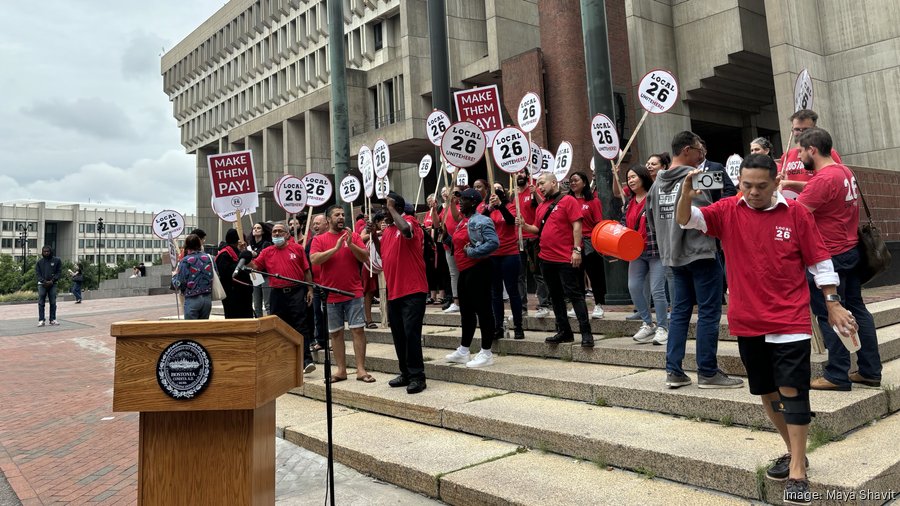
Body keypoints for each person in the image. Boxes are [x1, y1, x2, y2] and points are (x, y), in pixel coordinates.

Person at [676, 153, 856, 505]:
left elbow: (820, 260)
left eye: (761, 186)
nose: (754, 192)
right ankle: (795, 451)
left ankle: (798, 472)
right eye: (747, 185)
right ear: (739, 183)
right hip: (748, 320)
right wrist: (685, 194)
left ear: (776, 182)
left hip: (790, 318)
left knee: (792, 390)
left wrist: (832, 302)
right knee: (767, 391)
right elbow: (688, 220)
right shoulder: (727, 210)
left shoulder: (796, 213)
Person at [647, 131, 742, 389]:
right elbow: (705, 215)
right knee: (709, 312)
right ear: (687, 150)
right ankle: (708, 371)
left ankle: (674, 370)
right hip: (700, 252)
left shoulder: (656, 184)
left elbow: (651, 221)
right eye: (699, 149)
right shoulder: (694, 178)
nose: (703, 154)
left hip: (673, 255)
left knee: (679, 311)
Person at [796, 128, 882, 390]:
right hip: (851, 251)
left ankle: (836, 374)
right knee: (856, 309)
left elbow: (796, 214)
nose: (798, 156)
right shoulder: (844, 172)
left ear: (812, 150)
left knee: (828, 314)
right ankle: (869, 370)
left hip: (828, 257)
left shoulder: (823, 180)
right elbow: (823, 194)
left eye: (801, 151)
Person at [517, 172, 593, 348]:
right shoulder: (541, 206)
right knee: (556, 296)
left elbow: (577, 225)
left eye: (542, 183)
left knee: (574, 295)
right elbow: (537, 229)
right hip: (546, 259)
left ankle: (586, 333)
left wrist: (576, 250)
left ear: (553, 182)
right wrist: (524, 225)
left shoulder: (568, 200)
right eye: (538, 184)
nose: (540, 187)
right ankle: (564, 331)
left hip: (566, 257)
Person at [369, 192, 428, 393]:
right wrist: (373, 236)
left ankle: (418, 376)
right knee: (399, 335)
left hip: (413, 290)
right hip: (394, 291)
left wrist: (392, 208)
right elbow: (383, 254)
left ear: (398, 208)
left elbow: (406, 231)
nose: (383, 211)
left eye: (387, 207)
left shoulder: (410, 221)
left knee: (411, 334)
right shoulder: (387, 231)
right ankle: (405, 373)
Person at [310, 205, 374, 383]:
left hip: (353, 292)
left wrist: (350, 244)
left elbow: (365, 257)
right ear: (328, 220)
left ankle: (361, 370)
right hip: (331, 294)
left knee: (358, 330)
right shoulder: (319, 239)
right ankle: (341, 370)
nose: (341, 217)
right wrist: (336, 248)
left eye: (343, 214)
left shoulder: (353, 236)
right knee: (336, 333)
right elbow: (314, 259)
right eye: (337, 215)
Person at [243, 222, 316, 374]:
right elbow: (255, 266)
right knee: (279, 327)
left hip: (297, 291)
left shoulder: (297, 249)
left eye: (280, 231)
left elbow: (306, 270)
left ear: (287, 234)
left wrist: (310, 289)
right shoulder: (267, 251)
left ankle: (306, 360)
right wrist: (244, 255)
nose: (276, 234)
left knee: (301, 325)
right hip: (277, 294)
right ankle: (284, 360)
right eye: (274, 232)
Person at [445, 188, 501, 366]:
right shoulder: (463, 222)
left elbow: (493, 243)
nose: (460, 202)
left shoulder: (481, 220)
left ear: (474, 202)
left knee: (483, 311)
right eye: (460, 199)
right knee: (466, 312)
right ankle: (464, 350)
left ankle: (486, 353)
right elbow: (458, 244)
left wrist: (472, 252)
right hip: (464, 271)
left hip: (478, 268)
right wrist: (446, 237)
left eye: (464, 199)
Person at [621, 165, 669, 344]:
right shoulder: (628, 203)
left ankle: (663, 327)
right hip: (636, 252)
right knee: (634, 287)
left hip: (656, 250)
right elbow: (624, 224)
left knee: (657, 290)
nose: (631, 180)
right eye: (628, 178)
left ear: (643, 177)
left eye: (633, 176)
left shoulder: (654, 197)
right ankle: (648, 323)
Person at [485, 183, 525, 340]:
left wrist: (500, 205)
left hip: (509, 253)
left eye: (499, 188)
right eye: (493, 189)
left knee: (512, 291)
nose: (496, 191)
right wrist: (489, 208)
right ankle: (498, 326)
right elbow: (480, 220)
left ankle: (518, 326)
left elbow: (510, 220)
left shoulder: (510, 206)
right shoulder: (488, 209)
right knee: (495, 293)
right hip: (493, 254)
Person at [779, 109, 843, 199]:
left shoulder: (828, 153)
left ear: (815, 129)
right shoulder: (786, 155)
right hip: (792, 204)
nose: (801, 133)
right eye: (797, 129)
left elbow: (832, 185)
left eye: (806, 129)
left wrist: (789, 183)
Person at [567, 171, 605, 319]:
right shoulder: (567, 201)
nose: (573, 183)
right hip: (573, 242)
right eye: (571, 181)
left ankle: (599, 305)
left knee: (594, 274)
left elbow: (598, 223)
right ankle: (579, 305)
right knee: (576, 276)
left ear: (584, 182)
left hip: (590, 242)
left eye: (576, 180)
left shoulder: (593, 201)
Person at [514, 173, 550, 318]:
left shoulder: (534, 190)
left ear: (527, 175)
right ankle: (522, 308)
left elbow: (544, 206)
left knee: (538, 273)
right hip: (519, 239)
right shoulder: (514, 195)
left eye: (522, 172)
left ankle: (544, 305)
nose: (520, 175)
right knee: (519, 275)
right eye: (517, 172)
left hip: (533, 238)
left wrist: (535, 193)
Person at [173, 234, 214, 320]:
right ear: (199, 244)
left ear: (187, 246)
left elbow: (180, 283)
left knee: (191, 327)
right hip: (207, 298)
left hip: (192, 298)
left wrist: (174, 276)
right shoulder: (209, 258)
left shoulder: (185, 261)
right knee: (203, 326)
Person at [215, 228, 254, 318]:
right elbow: (227, 274)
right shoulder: (224, 254)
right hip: (232, 294)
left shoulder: (241, 252)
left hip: (244, 294)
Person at [440, 185, 462, 313]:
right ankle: (456, 302)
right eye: (452, 193)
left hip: (462, 244)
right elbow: (438, 223)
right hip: (449, 245)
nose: (454, 195)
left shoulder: (463, 206)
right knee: (454, 274)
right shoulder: (445, 208)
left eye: (456, 193)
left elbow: (457, 218)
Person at [249, 222, 273, 317]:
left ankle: (270, 322)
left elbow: (266, 258)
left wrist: (256, 254)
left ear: (263, 231)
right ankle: (258, 321)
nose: (256, 229)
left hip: (265, 274)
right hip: (255, 275)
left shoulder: (266, 244)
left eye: (258, 228)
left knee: (267, 303)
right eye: (254, 228)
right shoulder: (250, 245)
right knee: (257, 303)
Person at [36, 245, 61, 326]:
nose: (46, 253)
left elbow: (58, 272)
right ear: (42, 252)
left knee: (53, 302)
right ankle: (41, 320)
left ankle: (52, 319)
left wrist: (52, 281)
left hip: (53, 284)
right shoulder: (39, 262)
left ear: (50, 252)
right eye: (44, 251)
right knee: (41, 302)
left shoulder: (57, 260)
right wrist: (44, 281)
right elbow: (38, 274)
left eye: (48, 251)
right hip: (42, 284)